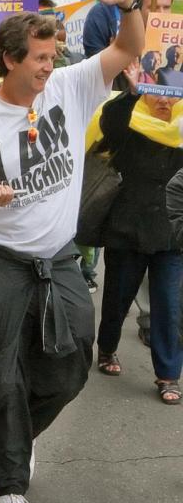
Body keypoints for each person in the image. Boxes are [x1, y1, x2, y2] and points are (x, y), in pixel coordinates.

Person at [0, 0, 144, 503]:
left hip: (58, 260)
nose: (46, 68)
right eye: (36, 58)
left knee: (71, 365)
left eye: (51, 56)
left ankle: (17, 437)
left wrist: (128, 3)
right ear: (7, 60)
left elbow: (129, 47)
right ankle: (10, 489)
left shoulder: (70, 87)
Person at [89, 71, 183, 402]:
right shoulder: (131, 120)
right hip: (127, 228)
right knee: (117, 298)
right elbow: (110, 125)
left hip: (172, 235)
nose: (163, 100)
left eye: (171, 94)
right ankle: (107, 349)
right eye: (156, 92)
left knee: (170, 306)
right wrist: (129, 94)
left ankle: (168, 375)